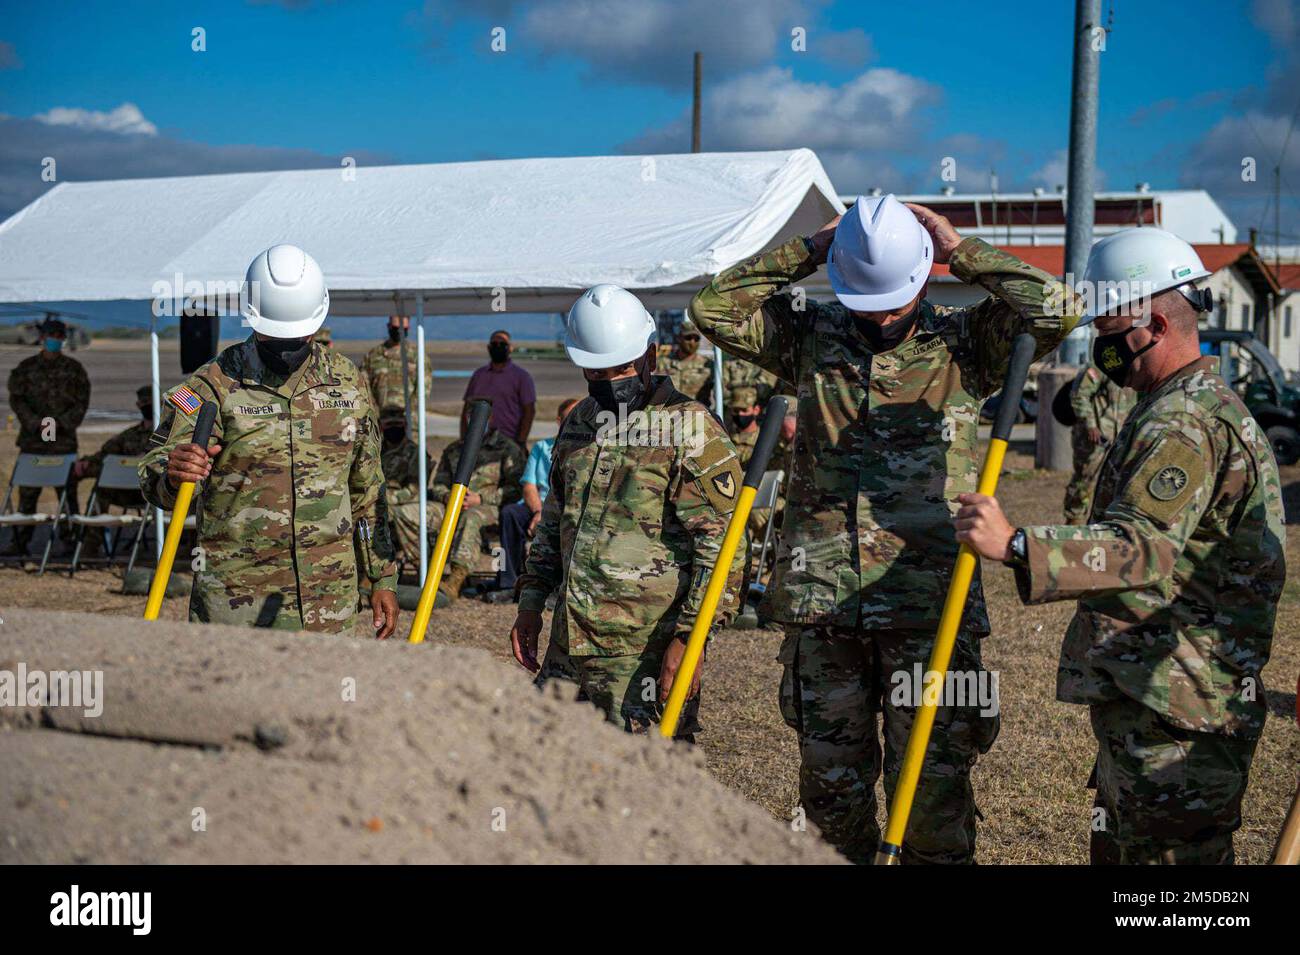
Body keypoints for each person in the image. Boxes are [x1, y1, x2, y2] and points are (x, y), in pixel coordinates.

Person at [689, 194, 1081, 864]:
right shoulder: (812, 336)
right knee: (830, 796)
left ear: (924, 278)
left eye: (893, 304)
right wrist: (811, 250)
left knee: (931, 795)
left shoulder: (964, 343)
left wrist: (963, 252)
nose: (879, 318)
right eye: (866, 302)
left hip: (928, 608)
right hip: (824, 606)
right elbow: (712, 309)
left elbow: (1059, 308)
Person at [953, 228, 1285, 865]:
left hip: (1180, 708)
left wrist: (1017, 543)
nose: (1101, 349)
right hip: (1160, 699)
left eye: (1108, 332)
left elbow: (1141, 548)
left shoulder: (1183, 422)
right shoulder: (1175, 405)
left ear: (1154, 323)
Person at [511, 285, 745, 738]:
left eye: (620, 368)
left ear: (650, 356)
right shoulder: (579, 421)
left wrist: (690, 639)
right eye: (595, 371)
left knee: (651, 785)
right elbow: (555, 521)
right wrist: (531, 603)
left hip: (643, 653)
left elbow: (723, 549)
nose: (609, 380)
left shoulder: (690, 430)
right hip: (569, 644)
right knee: (551, 770)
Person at [139, 244, 399, 637]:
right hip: (238, 604)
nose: (289, 346)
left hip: (329, 603)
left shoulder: (347, 380)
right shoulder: (213, 384)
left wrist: (383, 577)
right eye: (277, 336)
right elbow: (155, 471)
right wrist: (173, 474)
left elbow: (367, 488)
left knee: (327, 698)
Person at [390, 405, 525, 601]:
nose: (474, 422)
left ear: (492, 419)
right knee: (407, 513)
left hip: (489, 508)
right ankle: (426, 568)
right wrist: (448, 496)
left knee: (471, 518)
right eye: (469, 417)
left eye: (479, 417)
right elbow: (438, 485)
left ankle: (455, 579)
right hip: (450, 504)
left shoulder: (508, 449)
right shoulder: (454, 450)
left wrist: (481, 499)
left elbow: (516, 488)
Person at [4, 317, 90, 556]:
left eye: (59, 337)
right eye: (51, 336)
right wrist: (35, 423)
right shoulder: (26, 368)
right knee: (27, 494)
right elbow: (17, 399)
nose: (55, 340)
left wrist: (60, 424)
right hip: (34, 440)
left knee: (67, 494)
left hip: (63, 441)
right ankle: (20, 541)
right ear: (42, 338)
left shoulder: (74, 370)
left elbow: (81, 403)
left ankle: (70, 540)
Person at [494, 397, 580, 600]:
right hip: (538, 506)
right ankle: (508, 581)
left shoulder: (584, 448)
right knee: (509, 514)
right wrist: (539, 512)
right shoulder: (542, 447)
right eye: (569, 418)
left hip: (567, 507)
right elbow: (529, 484)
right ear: (559, 421)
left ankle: (558, 587)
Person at [1063, 363, 1136, 523]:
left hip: (1120, 437)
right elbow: (1079, 395)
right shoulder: (1101, 366)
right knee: (1085, 478)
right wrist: (1091, 425)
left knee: (1115, 482)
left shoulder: (1134, 366)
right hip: (1094, 437)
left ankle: (1103, 523)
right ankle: (1074, 521)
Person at [74, 384, 155, 510]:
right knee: (98, 482)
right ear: (138, 405)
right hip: (126, 488)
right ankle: (85, 527)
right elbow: (106, 453)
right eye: (145, 402)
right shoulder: (130, 435)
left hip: (153, 492)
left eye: (153, 401)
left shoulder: (168, 434)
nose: (149, 405)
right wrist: (87, 461)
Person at [463, 330, 536, 447]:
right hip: (477, 442)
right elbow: (466, 408)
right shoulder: (479, 375)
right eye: (494, 344)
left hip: (509, 442)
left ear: (510, 348)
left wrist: (521, 441)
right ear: (488, 347)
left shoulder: (521, 376)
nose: (498, 347)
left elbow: (529, 411)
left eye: (502, 344)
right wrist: (464, 439)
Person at [359, 315, 431, 421]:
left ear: (408, 329)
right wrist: (374, 410)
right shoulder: (373, 356)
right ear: (389, 326)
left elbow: (423, 390)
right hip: (379, 420)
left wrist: (408, 412)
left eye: (403, 329)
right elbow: (363, 386)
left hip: (408, 422)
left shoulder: (417, 356)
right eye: (396, 328)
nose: (399, 332)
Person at [657, 314, 713, 403]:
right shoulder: (663, 363)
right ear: (679, 338)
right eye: (688, 338)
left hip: (698, 414)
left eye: (696, 339)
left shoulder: (707, 365)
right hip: (671, 413)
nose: (692, 342)